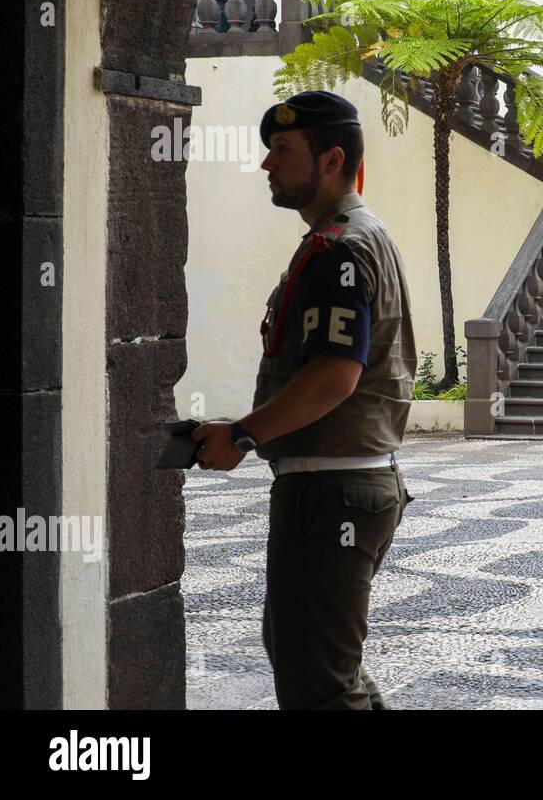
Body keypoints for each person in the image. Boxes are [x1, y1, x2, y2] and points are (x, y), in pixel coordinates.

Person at [191, 90, 417, 710]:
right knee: (322, 663)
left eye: (283, 151)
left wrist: (243, 435)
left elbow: (333, 377)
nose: (268, 164)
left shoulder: (338, 249)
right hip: (344, 486)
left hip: (332, 492)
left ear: (330, 160)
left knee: (318, 683)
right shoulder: (358, 238)